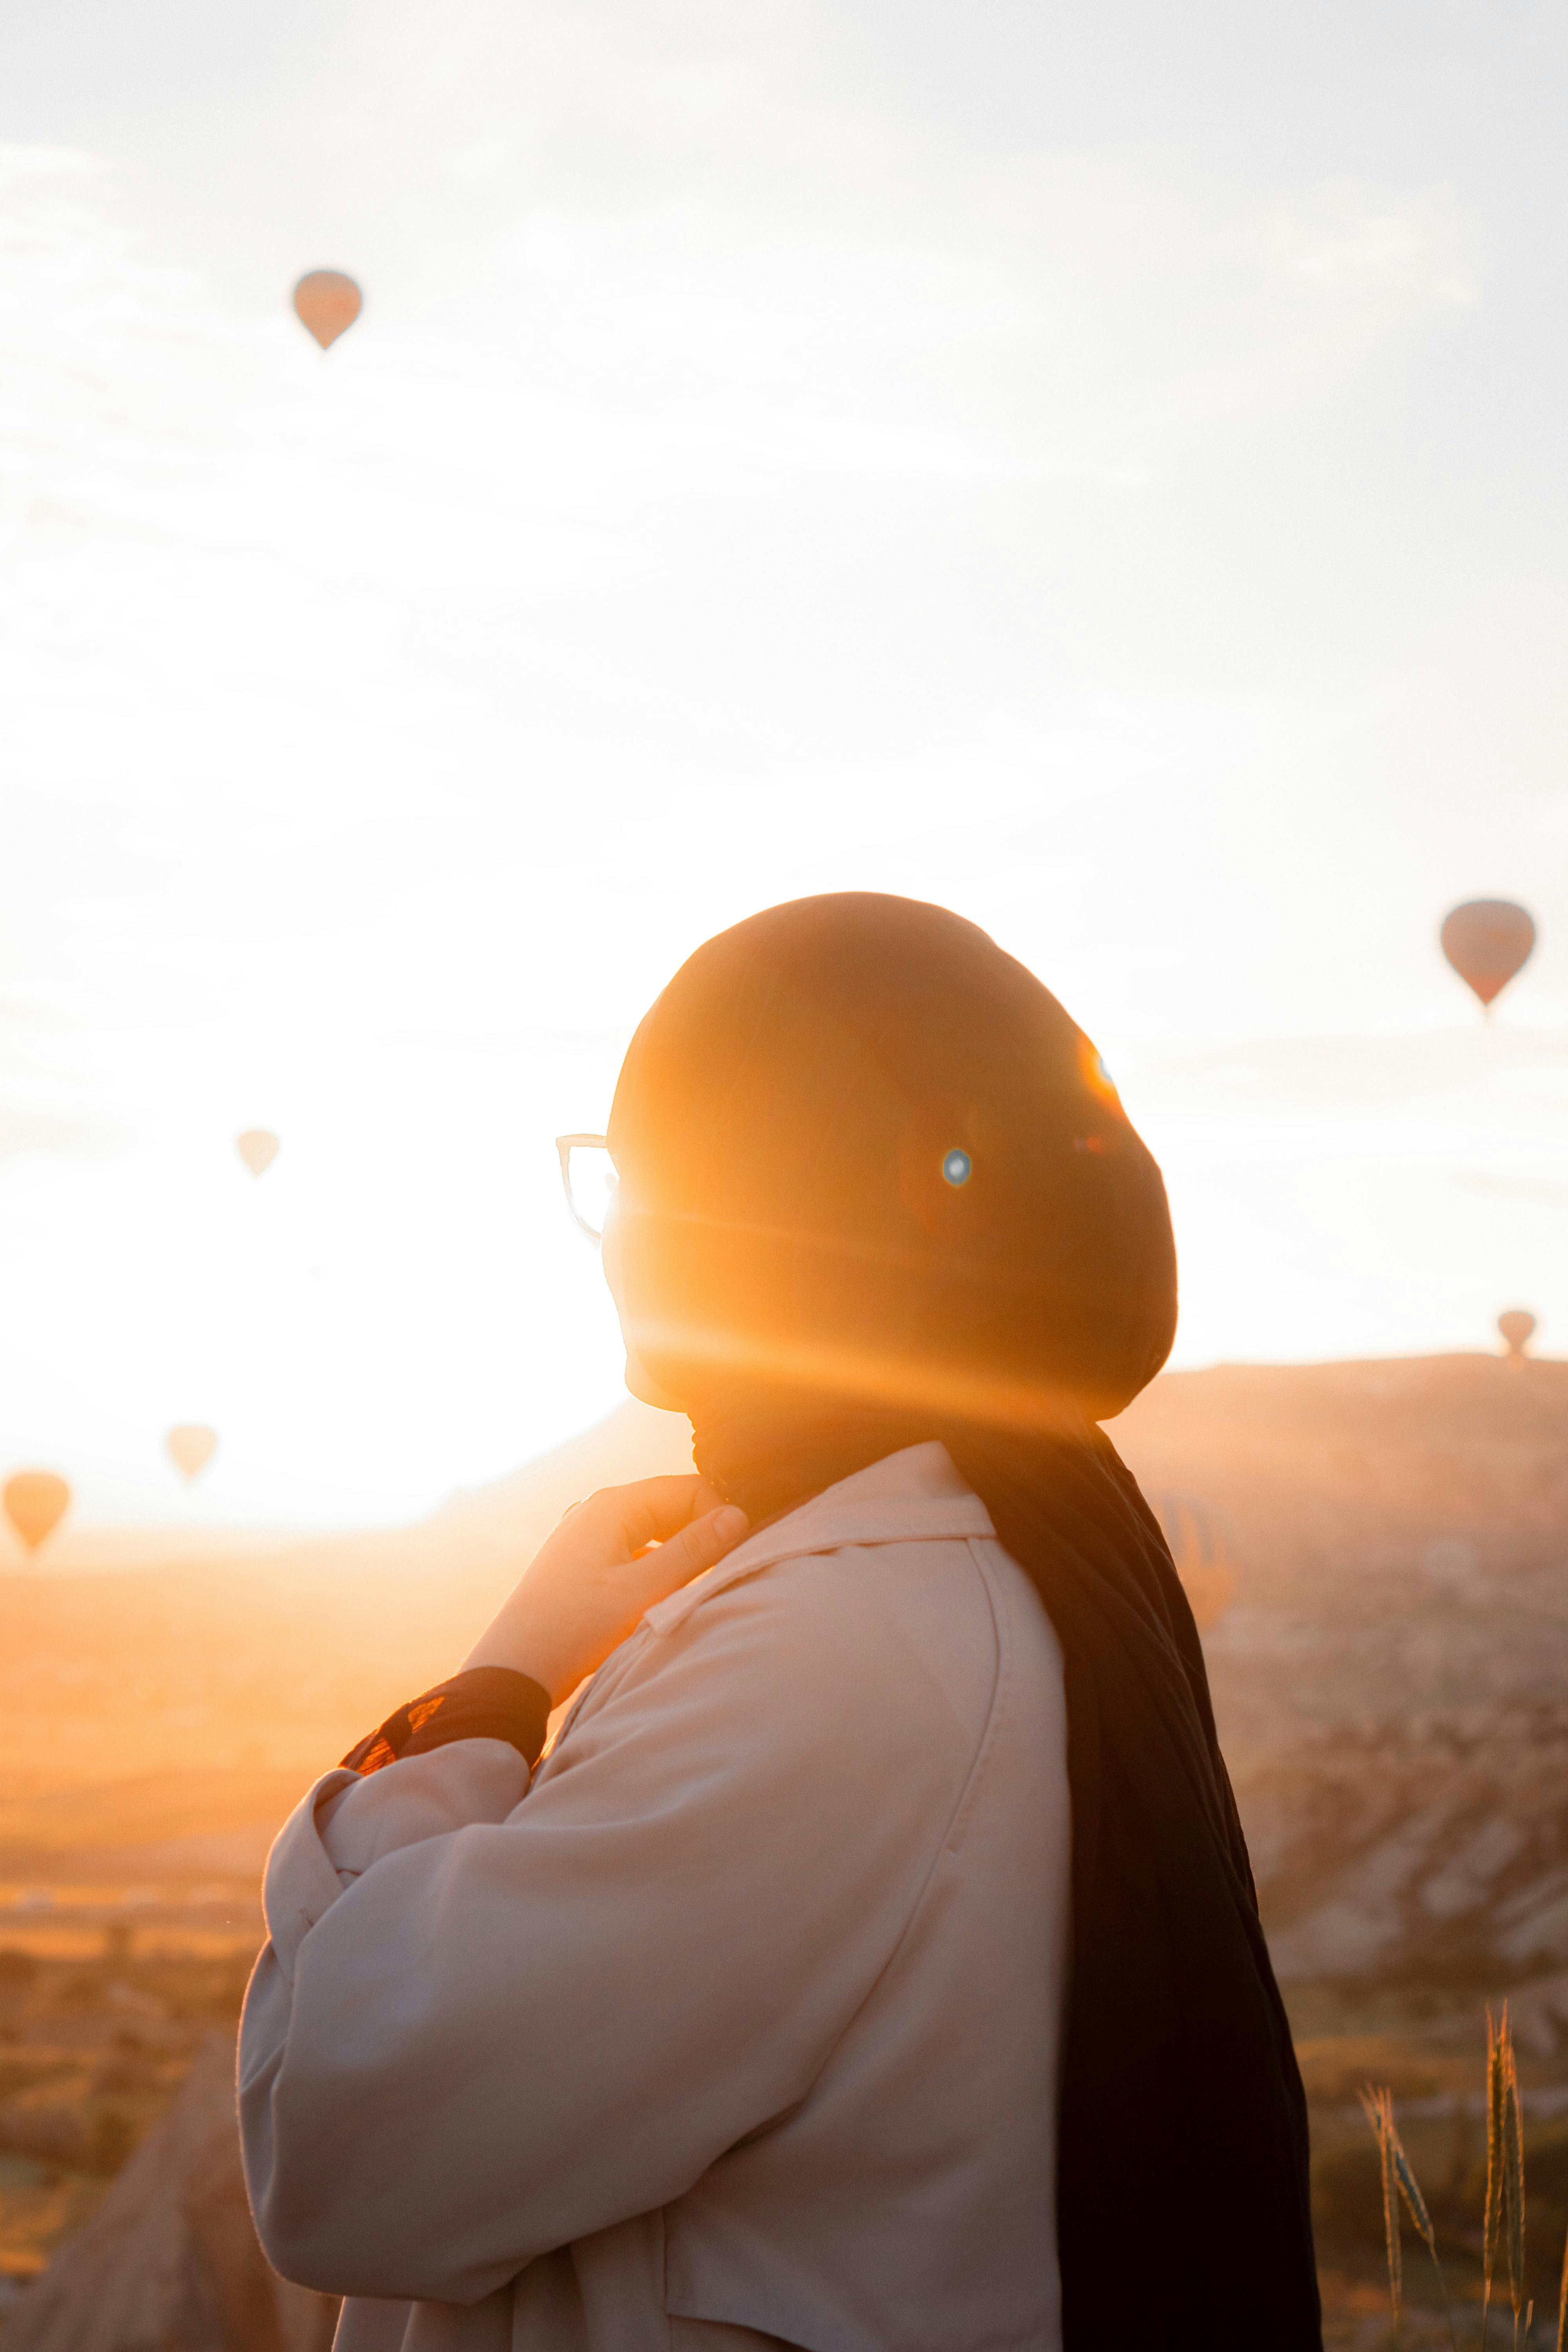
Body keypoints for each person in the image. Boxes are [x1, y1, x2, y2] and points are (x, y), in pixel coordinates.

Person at [240, 893, 1320, 2352]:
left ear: (763, 1204)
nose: (611, 1234)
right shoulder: (984, 1568)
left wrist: (493, 1692)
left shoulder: (833, 1650)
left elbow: (340, 2150)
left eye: (638, 1174)